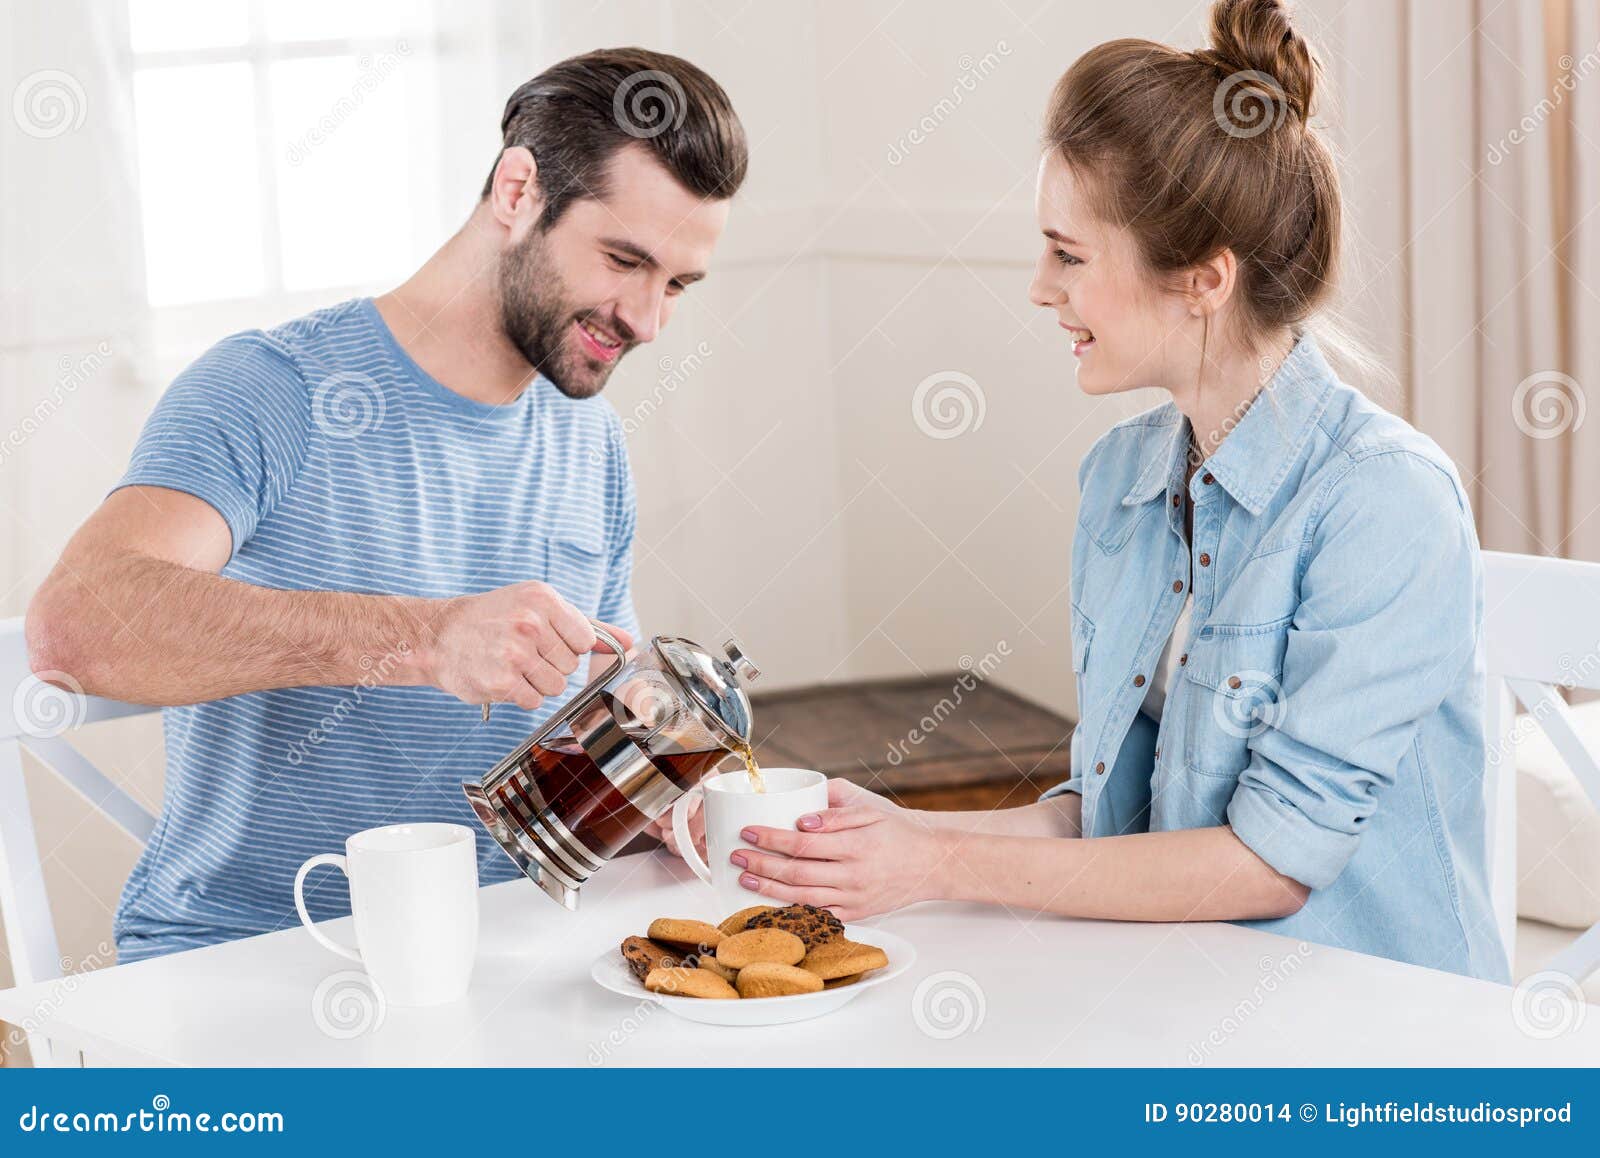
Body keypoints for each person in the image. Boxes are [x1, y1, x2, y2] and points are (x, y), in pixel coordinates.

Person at [664, 0, 1507, 981]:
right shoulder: (1122, 480)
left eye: (1068, 254)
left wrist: (937, 863)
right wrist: (891, 836)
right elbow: (1111, 814)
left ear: (1202, 279)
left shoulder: (1383, 504)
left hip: (1381, 1037)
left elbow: (1269, 865)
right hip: (1185, 996)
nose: (1038, 286)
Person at [26, 48, 748, 962]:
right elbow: (77, 627)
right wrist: (427, 638)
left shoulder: (588, 441)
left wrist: (649, 793)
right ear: (517, 191)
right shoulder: (272, 389)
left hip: (501, 958)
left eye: (677, 286)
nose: (647, 321)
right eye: (623, 261)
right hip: (248, 962)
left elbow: (590, 730)